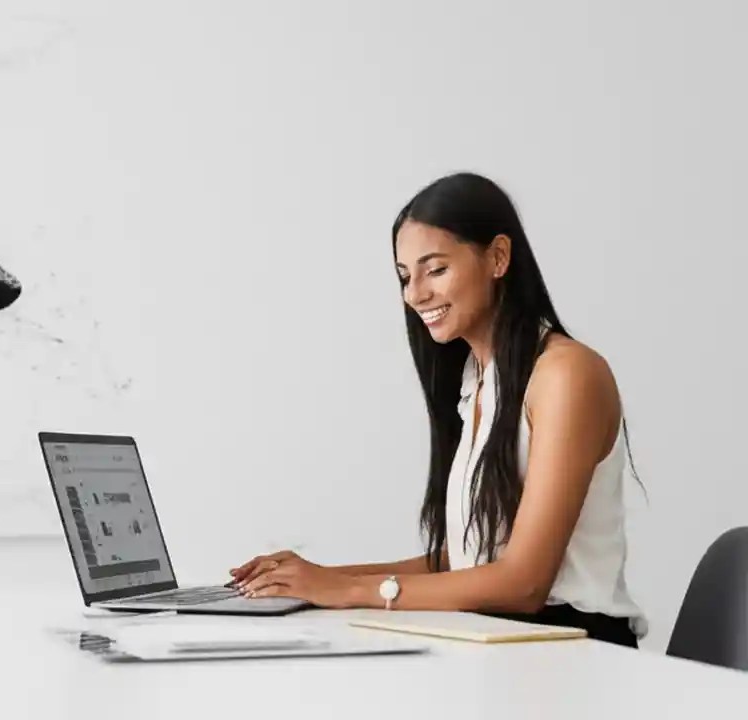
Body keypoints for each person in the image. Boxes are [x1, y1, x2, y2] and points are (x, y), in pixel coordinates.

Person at [230, 172, 647, 648]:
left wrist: (347, 590)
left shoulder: (565, 374)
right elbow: (464, 562)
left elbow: (524, 583)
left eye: (435, 269)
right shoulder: (479, 380)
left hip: (576, 648)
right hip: (505, 641)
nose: (415, 294)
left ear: (498, 257)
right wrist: (314, 580)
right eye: (405, 276)